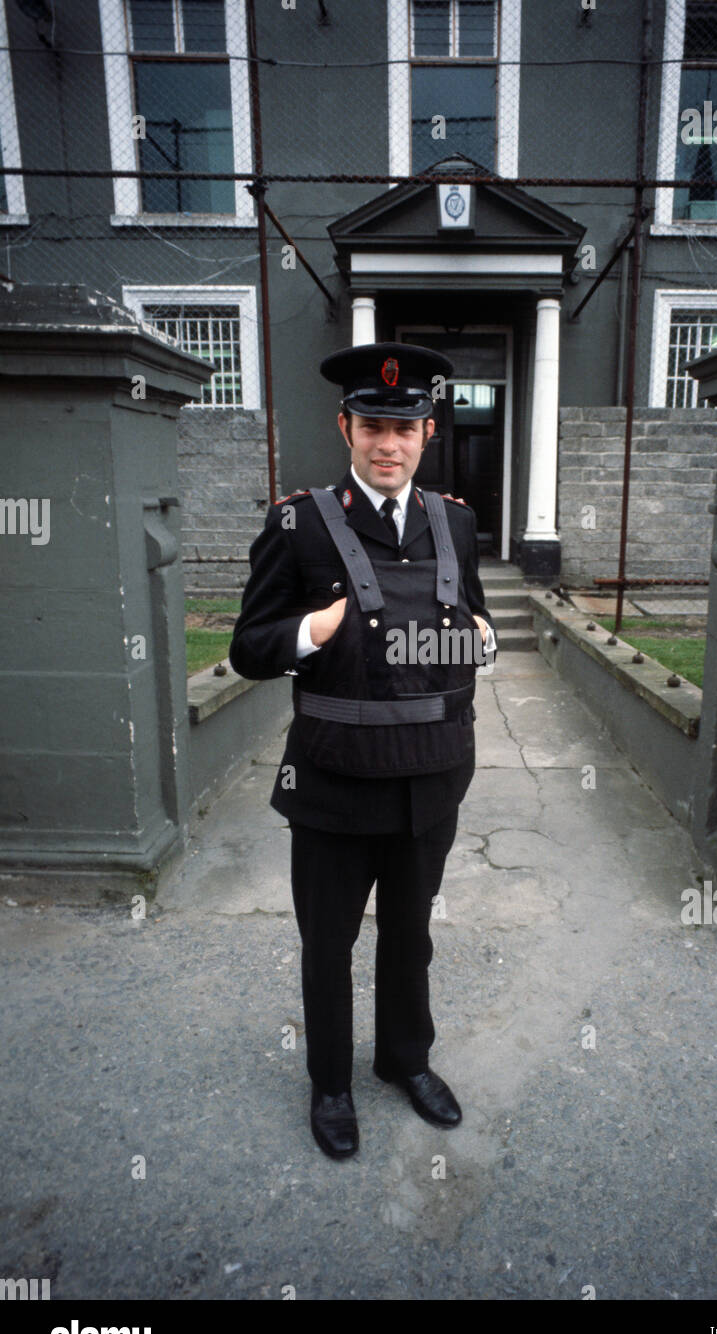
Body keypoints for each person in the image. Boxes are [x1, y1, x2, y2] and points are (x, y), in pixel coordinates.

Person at [229, 341, 496, 1159]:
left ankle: (404, 1061)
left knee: (409, 933)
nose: (389, 444)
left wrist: (479, 642)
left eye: (405, 427)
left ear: (428, 433)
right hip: (333, 784)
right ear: (345, 427)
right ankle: (331, 1082)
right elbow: (246, 648)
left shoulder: (454, 519)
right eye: (373, 425)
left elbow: (470, 623)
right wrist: (314, 629)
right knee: (329, 943)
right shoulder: (298, 521)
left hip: (432, 780)